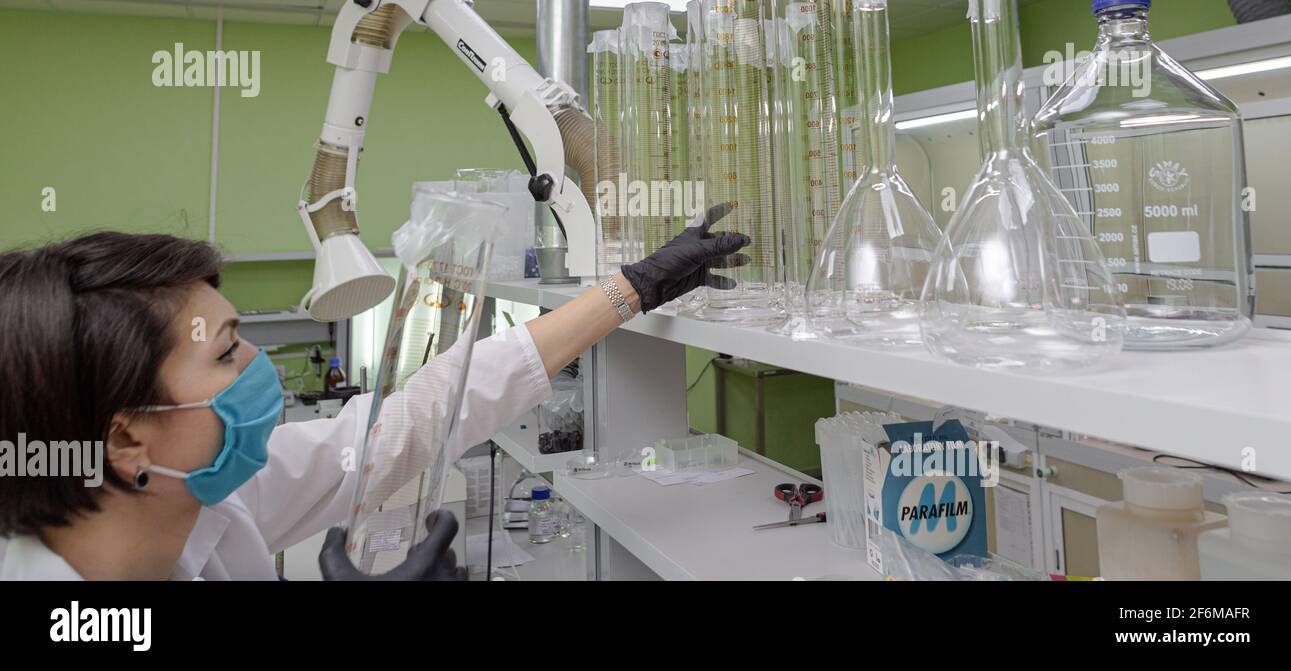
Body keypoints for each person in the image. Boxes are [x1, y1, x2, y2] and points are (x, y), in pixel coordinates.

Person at [0, 205, 747, 580]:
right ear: (126, 438)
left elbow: (414, 420)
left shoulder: (208, 504)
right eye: (226, 352)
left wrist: (627, 290)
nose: (258, 363)